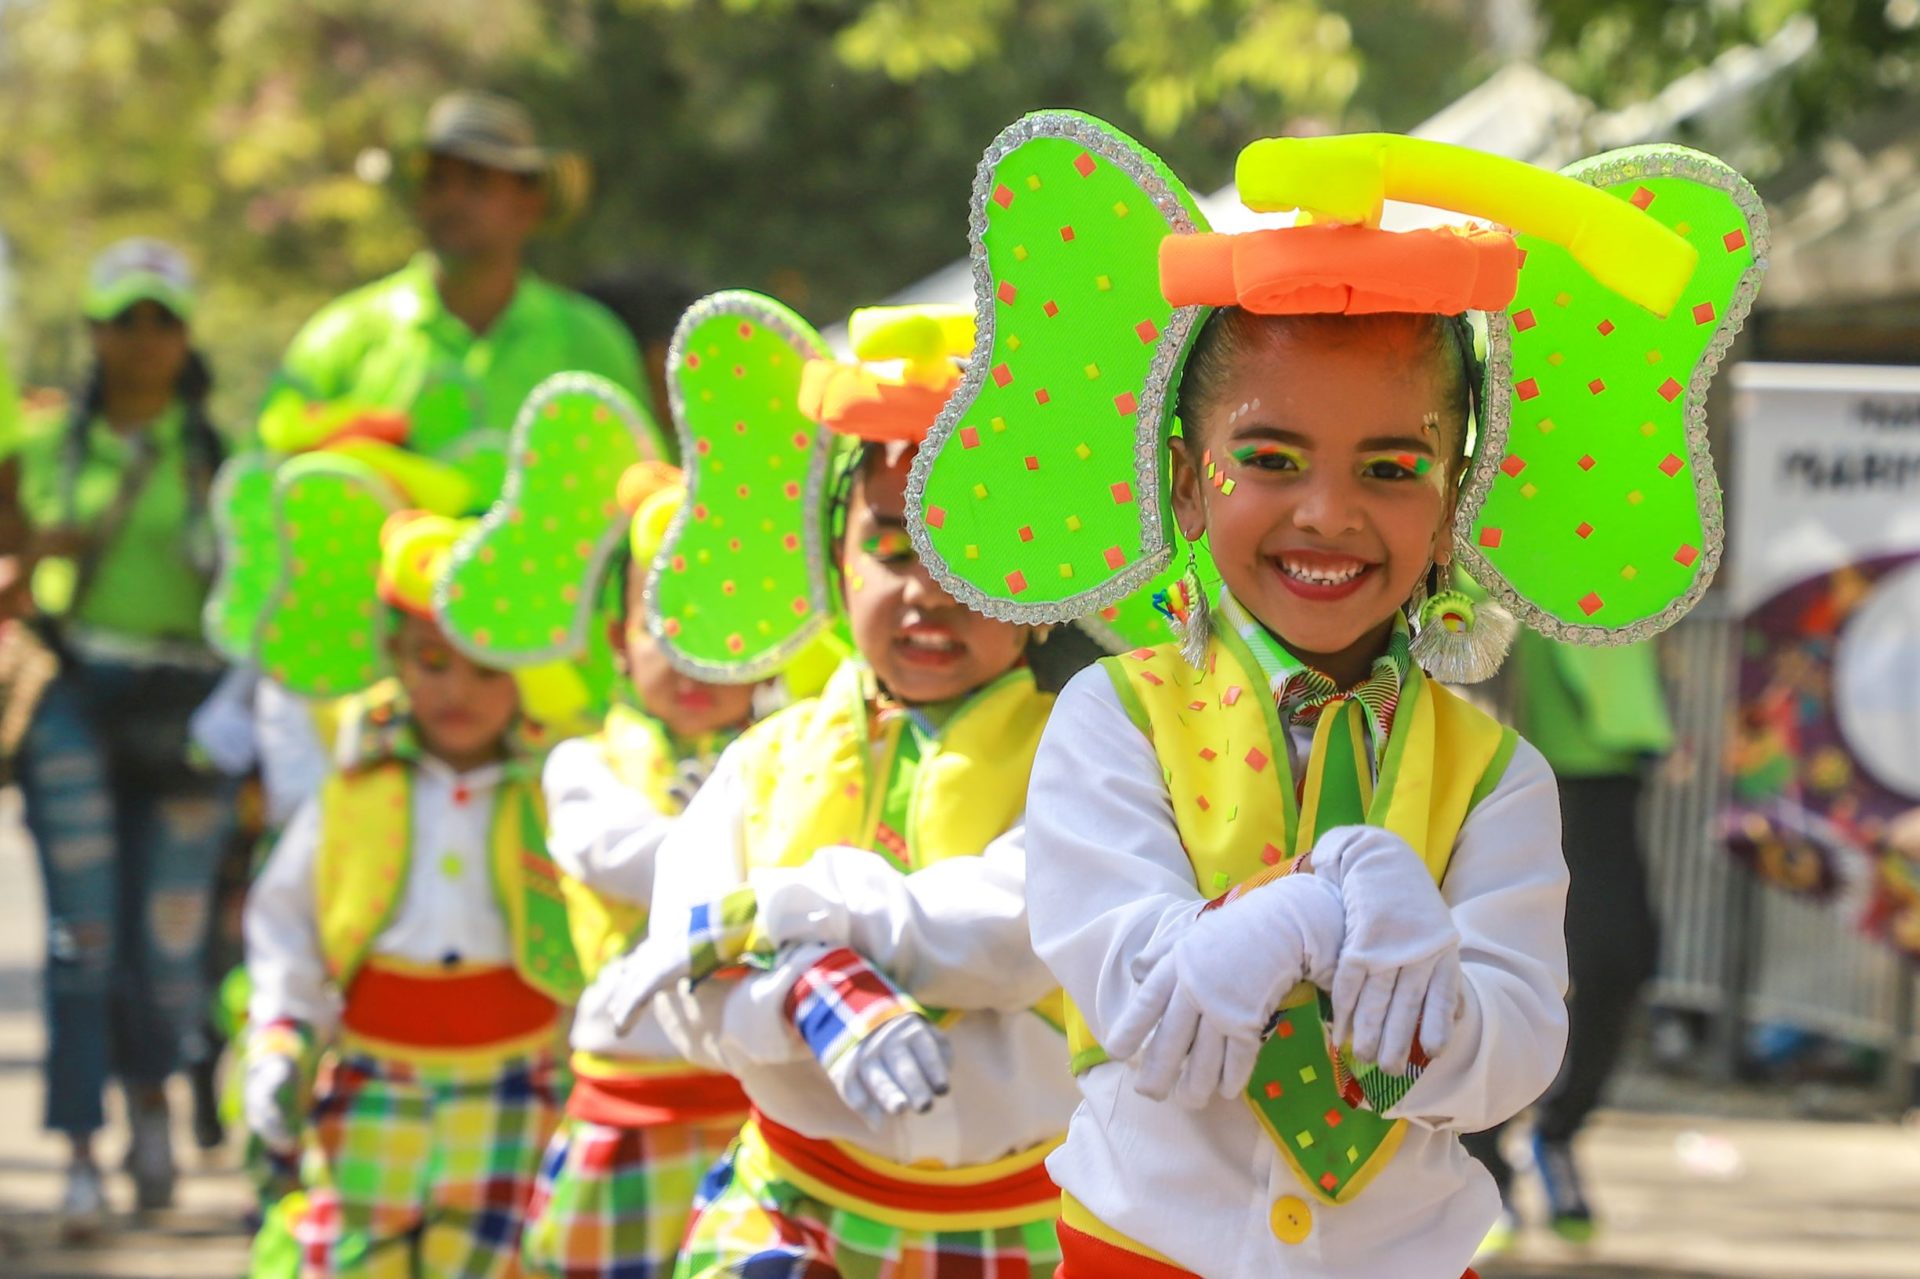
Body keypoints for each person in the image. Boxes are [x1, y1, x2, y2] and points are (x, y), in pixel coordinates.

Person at [905, 116, 1767, 1277]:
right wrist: (1321, 906)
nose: (1327, 512)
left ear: (1455, 501)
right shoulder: (1114, 722)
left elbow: (1511, 1052)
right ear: (1185, 483)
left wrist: (1425, 991)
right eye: (1270, 458)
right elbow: (1152, 1016)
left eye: (1391, 468)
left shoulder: (1497, 776)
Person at [603, 296, 1078, 1277]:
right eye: (895, 548)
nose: (930, 591)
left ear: (1042, 590)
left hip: (1022, 1218)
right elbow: (686, 984)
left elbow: (1013, 936)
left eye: (973, 553)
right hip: (789, 1203)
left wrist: (786, 916)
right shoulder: (761, 762)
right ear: (834, 559)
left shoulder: (1085, 756)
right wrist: (810, 996)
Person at [241, 510, 583, 1277]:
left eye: (487, 668)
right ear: (395, 655)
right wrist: (282, 1031)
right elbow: (285, 921)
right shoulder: (352, 787)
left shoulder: (556, 791)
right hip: (373, 1078)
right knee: (354, 1255)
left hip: (516, 1084)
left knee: (490, 1262)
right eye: (432, 661)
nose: (458, 689)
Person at [4, 237, 235, 1229]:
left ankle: (153, 1107)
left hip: (191, 707)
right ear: (94, 332)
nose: (144, 338)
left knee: (169, 943)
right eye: (125, 319)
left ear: (186, 336)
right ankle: (78, 1148)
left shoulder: (222, 457)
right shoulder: (39, 444)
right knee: (82, 938)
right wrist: (28, 561)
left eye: (162, 320)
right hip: (75, 695)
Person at [519, 461, 759, 1278]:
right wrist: (758, 861)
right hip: (629, 1095)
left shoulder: (789, 753)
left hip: (755, 1101)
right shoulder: (584, 763)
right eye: (667, 623)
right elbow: (621, 857)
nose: (692, 657)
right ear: (620, 641)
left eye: (723, 624)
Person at [272, 90, 658, 498]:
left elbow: (643, 489)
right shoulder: (340, 340)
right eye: (436, 181)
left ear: (528, 203)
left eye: (477, 181)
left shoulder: (590, 343)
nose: (451, 200)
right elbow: (264, 488)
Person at [1462, 633, 1675, 1250]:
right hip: (1486, 760)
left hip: (1598, 771)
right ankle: (1481, 1163)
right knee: (1483, 957)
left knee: (1617, 959)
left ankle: (1555, 1133)